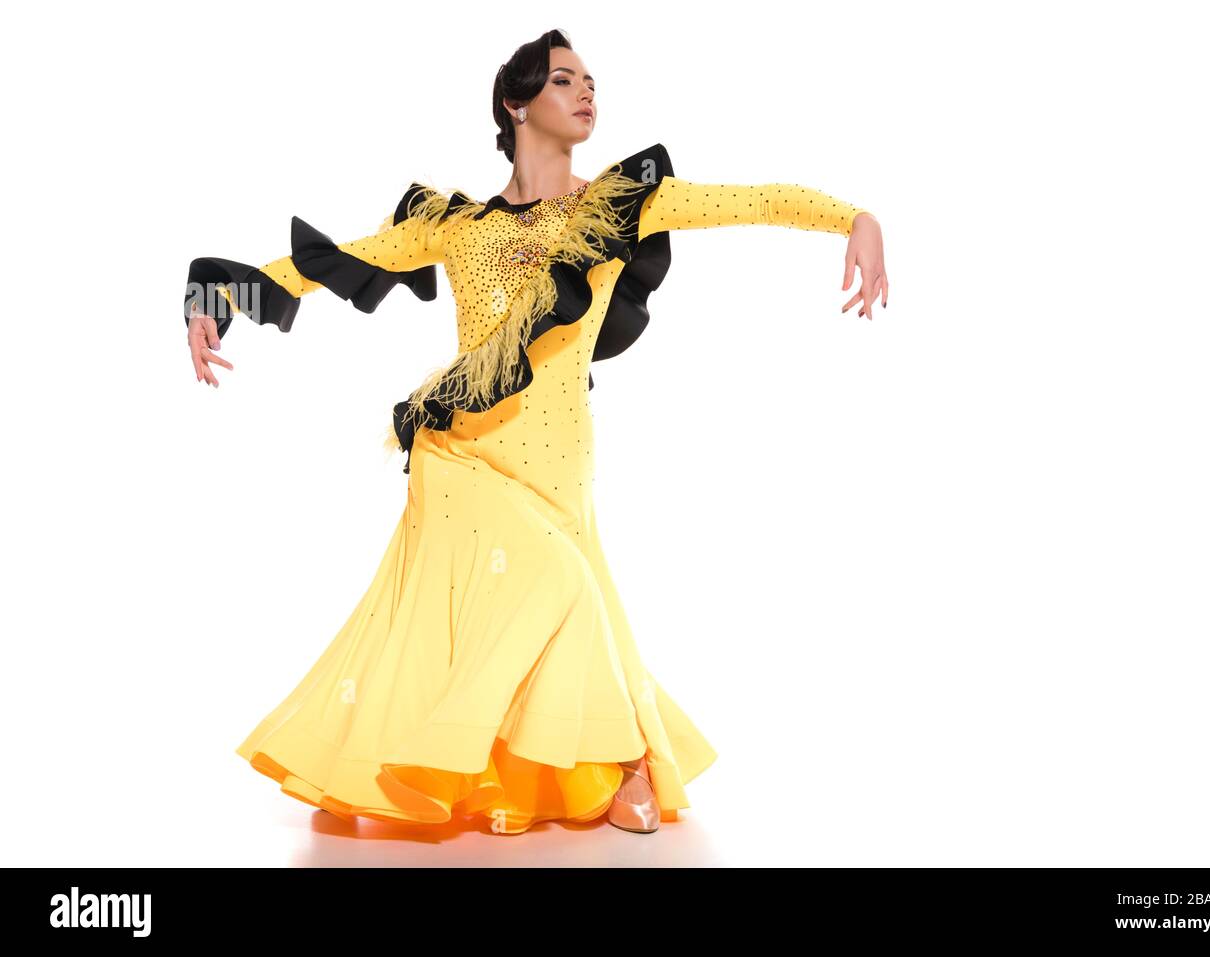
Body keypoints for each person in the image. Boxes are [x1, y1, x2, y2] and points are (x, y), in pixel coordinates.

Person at [183, 28, 888, 836]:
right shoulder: (456, 224)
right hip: (461, 450)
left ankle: (534, 760)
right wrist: (216, 301)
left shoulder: (618, 204)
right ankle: (622, 763)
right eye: (564, 80)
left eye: (591, 80)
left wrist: (854, 219)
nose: (587, 92)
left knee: (558, 594)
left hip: (560, 457)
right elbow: (330, 261)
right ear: (517, 104)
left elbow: (754, 200)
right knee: (558, 582)